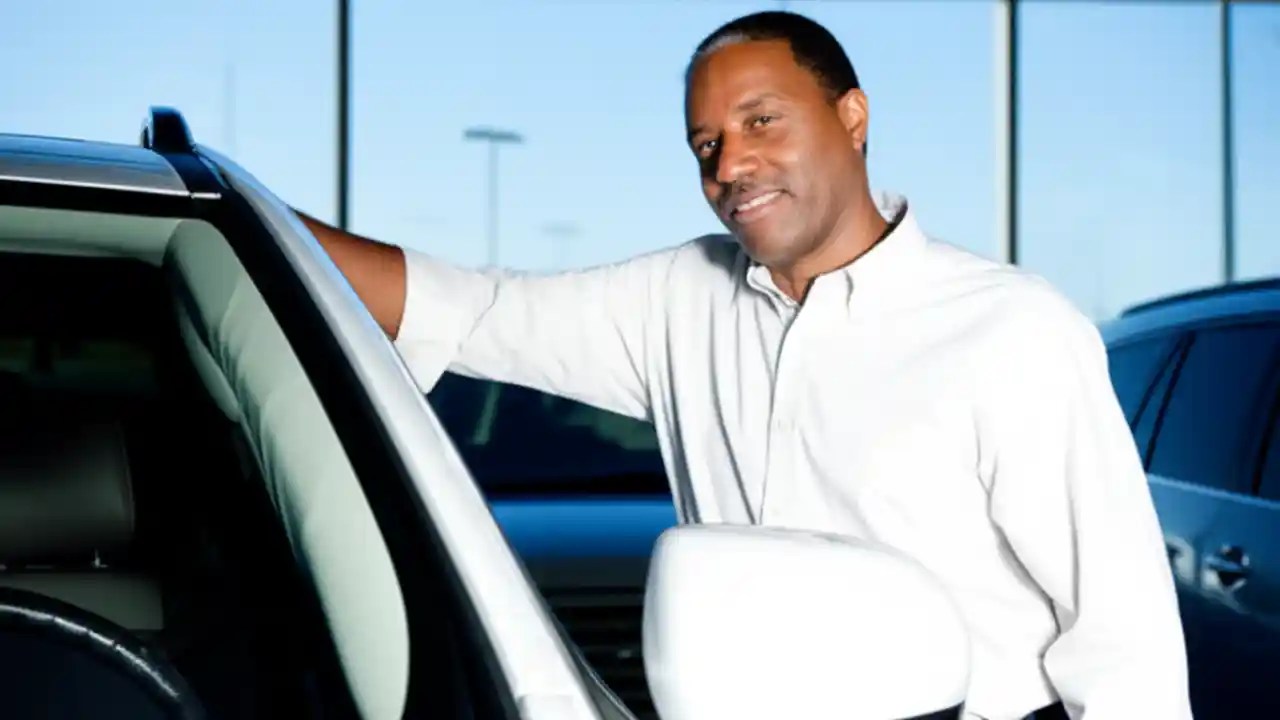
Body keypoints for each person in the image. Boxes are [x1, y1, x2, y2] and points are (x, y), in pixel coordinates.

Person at [295, 10, 1191, 720]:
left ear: (853, 116)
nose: (731, 162)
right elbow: (469, 306)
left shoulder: (1014, 330)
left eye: (761, 120)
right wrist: (251, 220)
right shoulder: (677, 298)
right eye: (705, 143)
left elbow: (1125, 649)